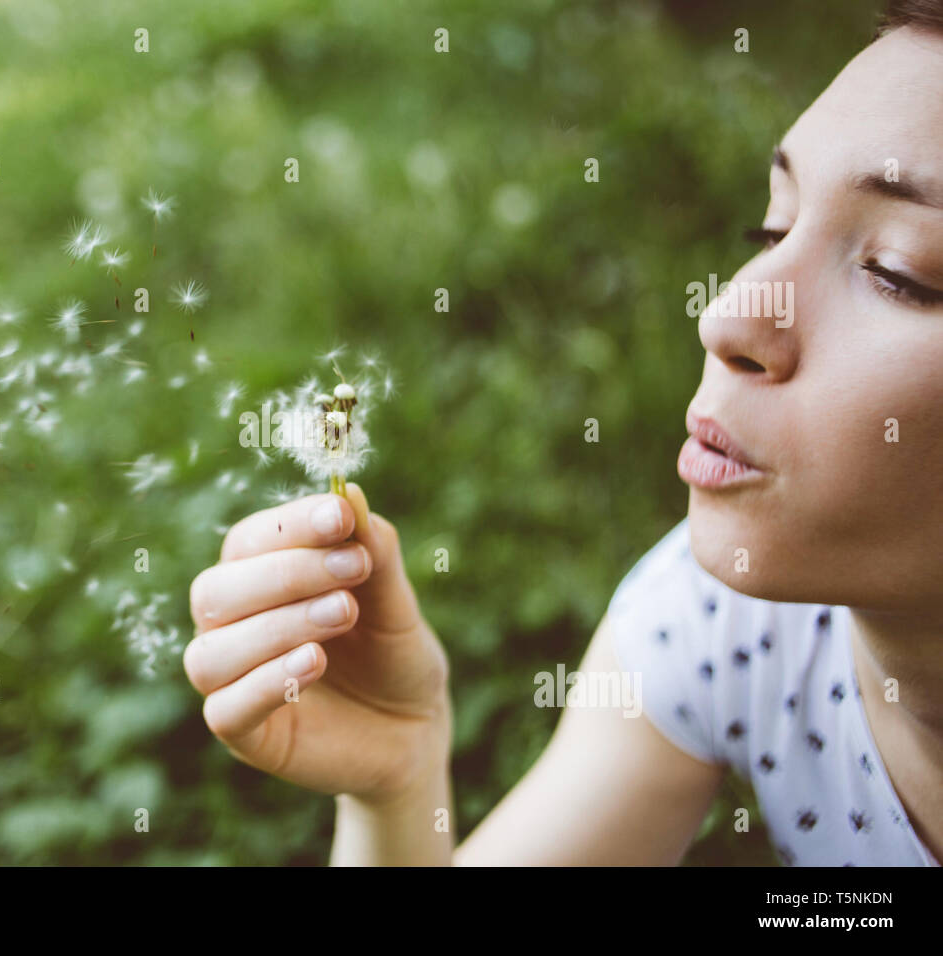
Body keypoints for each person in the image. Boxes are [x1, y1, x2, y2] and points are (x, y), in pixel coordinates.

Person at [183, 0, 943, 865]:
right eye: (770, 228)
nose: (729, 315)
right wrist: (397, 776)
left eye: (897, 273)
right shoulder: (724, 624)